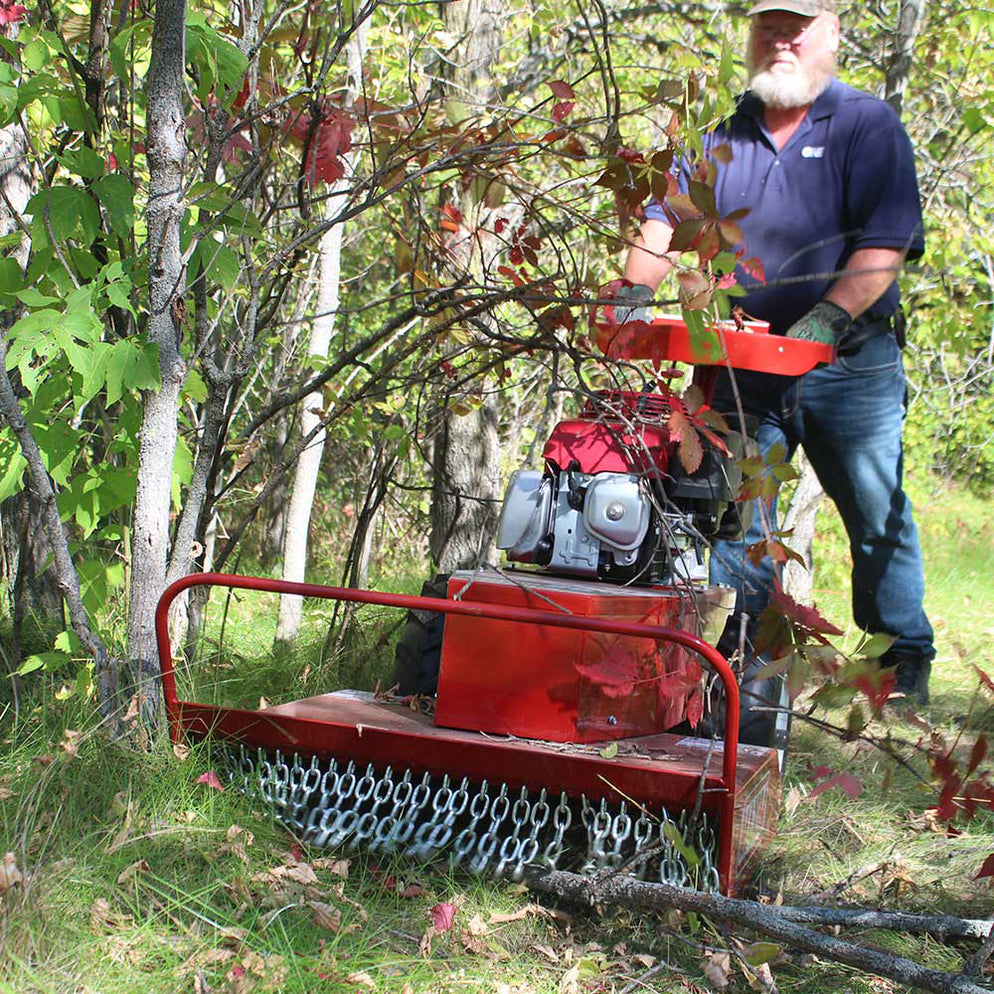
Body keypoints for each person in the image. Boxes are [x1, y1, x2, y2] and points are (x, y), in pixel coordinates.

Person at [620, 0, 935, 705]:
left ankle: (902, 661)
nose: (783, 41)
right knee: (740, 519)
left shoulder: (866, 127)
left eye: (798, 27)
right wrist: (628, 293)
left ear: (830, 34)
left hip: (849, 365)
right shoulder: (719, 137)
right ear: (752, 36)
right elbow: (661, 220)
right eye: (769, 26)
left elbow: (883, 243)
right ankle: (740, 664)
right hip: (745, 370)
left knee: (874, 510)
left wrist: (831, 313)